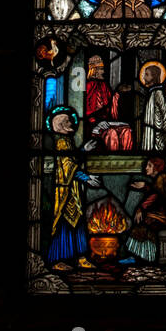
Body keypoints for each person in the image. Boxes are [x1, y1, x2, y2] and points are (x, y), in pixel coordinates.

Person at [45, 106, 99, 271]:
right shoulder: (61, 143)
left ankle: (80, 258)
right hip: (64, 191)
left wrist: (83, 150)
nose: (71, 123)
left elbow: (72, 159)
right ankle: (57, 259)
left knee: (77, 222)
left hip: (72, 189)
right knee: (64, 223)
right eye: (67, 121)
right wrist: (86, 177)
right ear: (60, 125)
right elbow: (68, 166)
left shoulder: (67, 141)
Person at [125, 157, 166, 263]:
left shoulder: (162, 177)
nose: (146, 168)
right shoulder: (160, 178)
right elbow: (156, 191)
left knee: (146, 221)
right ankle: (140, 256)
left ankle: (145, 257)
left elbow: (155, 195)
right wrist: (145, 186)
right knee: (145, 220)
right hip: (164, 214)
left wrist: (141, 208)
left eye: (149, 166)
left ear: (156, 168)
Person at [139, 60, 166, 151]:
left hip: (156, 134)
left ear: (153, 77)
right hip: (150, 131)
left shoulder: (158, 93)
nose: (144, 77)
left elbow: (165, 113)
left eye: (147, 74)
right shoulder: (152, 92)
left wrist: (164, 131)